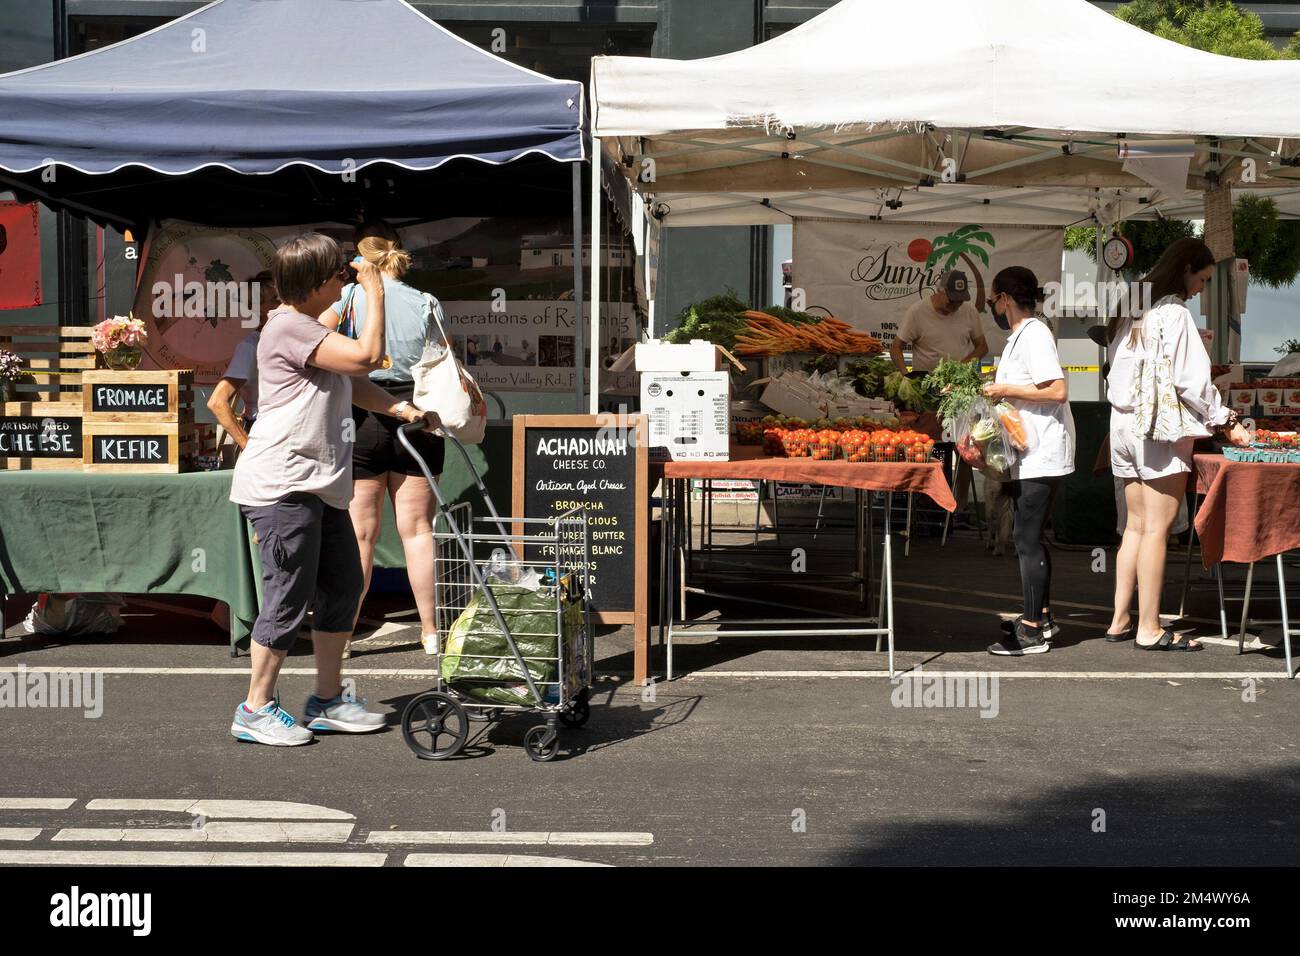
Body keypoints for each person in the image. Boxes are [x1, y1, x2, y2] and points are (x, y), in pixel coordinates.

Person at [229, 233, 438, 746]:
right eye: (339, 277)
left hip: (319, 486)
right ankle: (255, 708)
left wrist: (400, 408)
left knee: (343, 587)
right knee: (287, 597)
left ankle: (326, 700)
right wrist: (378, 291)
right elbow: (367, 356)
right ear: (317, 283)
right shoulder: (288, 328)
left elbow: (352, 380)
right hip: (282, 484)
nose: (346, 281)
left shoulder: (308, 329)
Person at [1104, 237, 1249, 651]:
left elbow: (1117, 367)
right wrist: (1227, 421)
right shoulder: (1174, 313)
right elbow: (1192, 382)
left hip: (1123, 425)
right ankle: (1149, 628)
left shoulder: (1133, 308)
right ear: (1185, 269)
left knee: (1133, 527)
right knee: (1156, 530)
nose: (1202, 287)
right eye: (1202, 278)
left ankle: (1120, 619)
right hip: (1159, 432)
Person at [320, 222, 447, 650]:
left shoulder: (351, 297)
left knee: (360, 534)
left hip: (362, 410)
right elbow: (441, 361)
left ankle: (345, 630)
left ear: (360, 258)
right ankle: (431, 632)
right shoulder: (427, 301)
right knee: (417, 530)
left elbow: (315, 331)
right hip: (421, 415)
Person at [981, 267, 1075, 657]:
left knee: (1025, 537)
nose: (991, 306)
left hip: (1043, 452)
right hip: (1031, 450)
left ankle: (1033, 630)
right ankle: (1042, 616)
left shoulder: (1034, 333)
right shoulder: (1021, 335)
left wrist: (1004, 388)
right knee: (1029, 535)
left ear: (1005, 298)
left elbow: (1057, 390)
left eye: (992, 298)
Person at [894, 269, 990, 521]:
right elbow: (896, 347)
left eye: (961, 299)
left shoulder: (968, 310)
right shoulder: (917, 312)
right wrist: (908, 377)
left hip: (959, 391)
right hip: (928, 393)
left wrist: (962, 366)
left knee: (964, 448)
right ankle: (927, 505)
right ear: (940, 291)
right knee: (928, 447)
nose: (956, 305)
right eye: (952, 299)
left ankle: (960, 505)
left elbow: (982, 346)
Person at [207, 270, 278, 453]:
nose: (285, 304)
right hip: (264, 439)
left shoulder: (283, 341)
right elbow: (217, 402)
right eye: (276, 299)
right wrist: (249, 446)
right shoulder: (250, 346)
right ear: (258, 307)